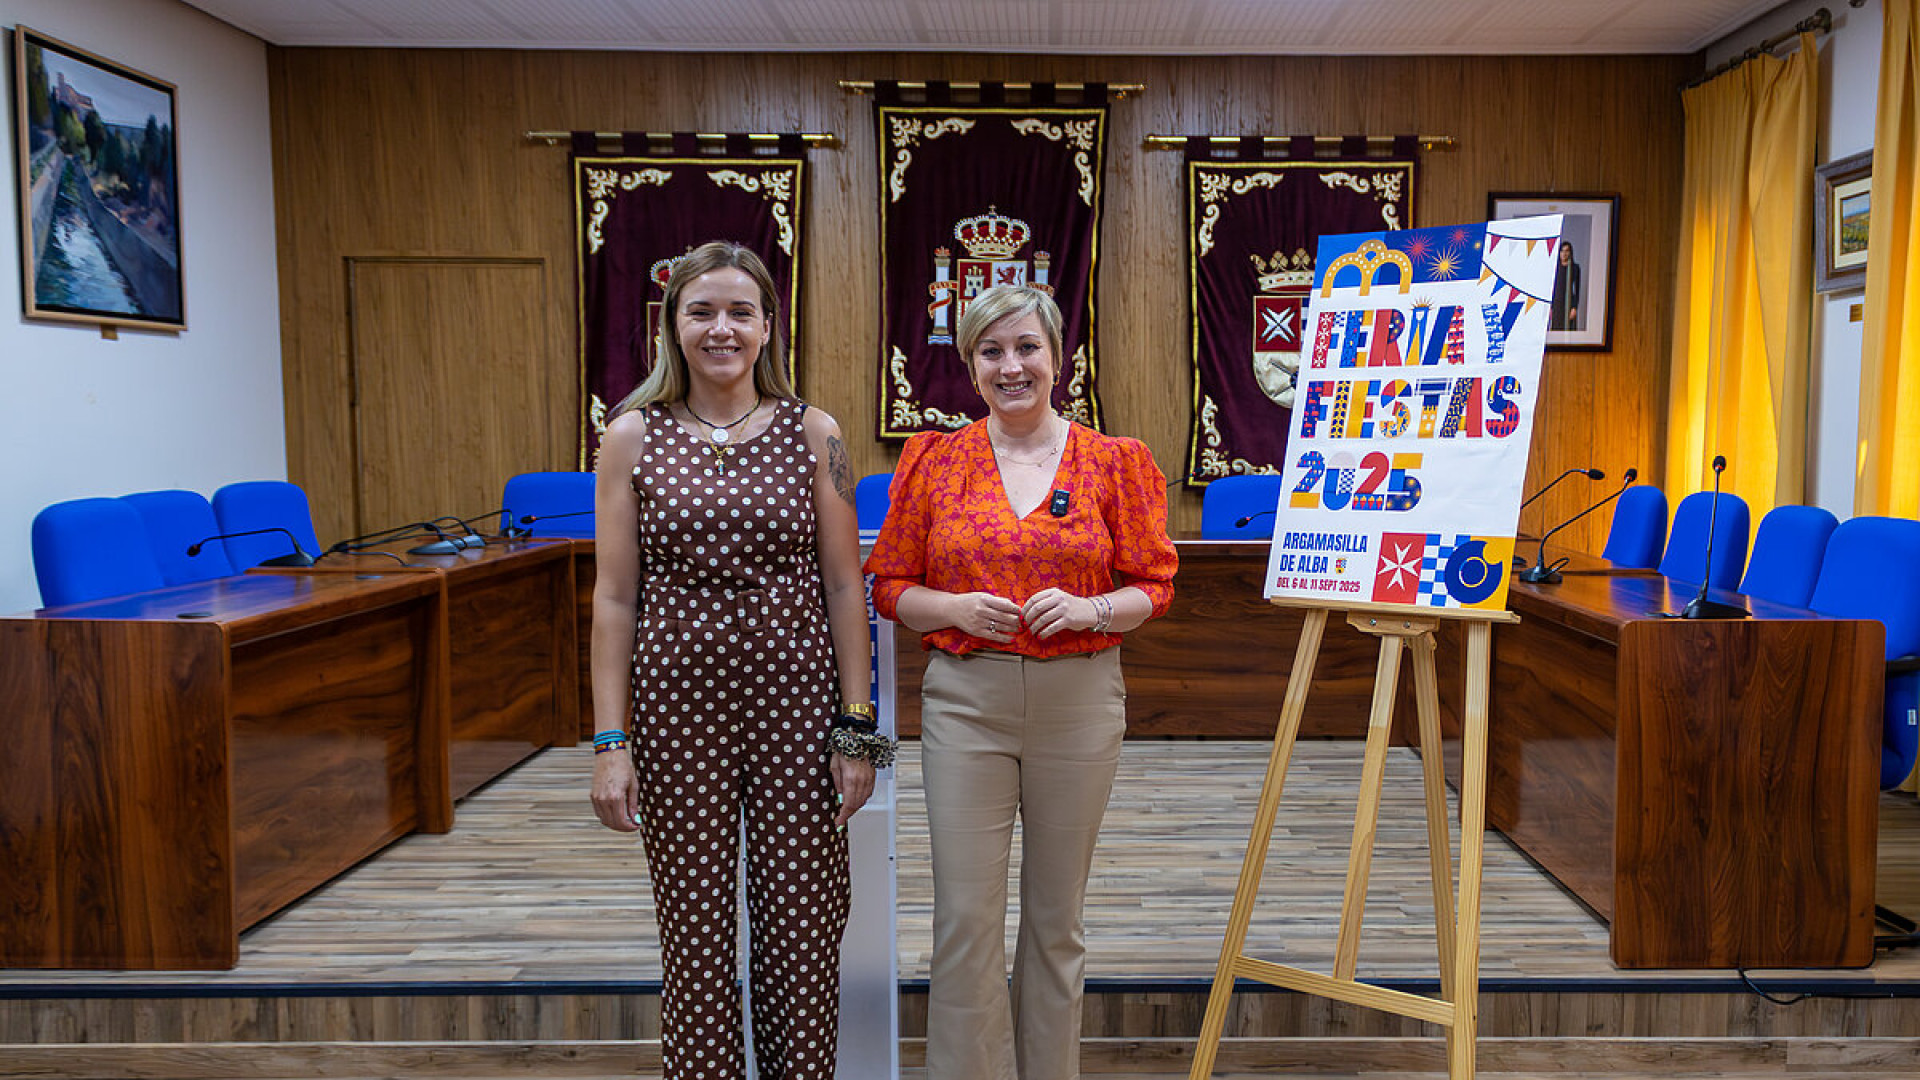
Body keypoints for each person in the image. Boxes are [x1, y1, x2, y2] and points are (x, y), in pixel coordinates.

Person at [587, 240, 892, 1079]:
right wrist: (610, 743)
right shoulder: (631, 436)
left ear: (767, 328)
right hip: (675, 710)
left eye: (740, 312)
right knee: (693, 929)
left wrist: (856, 730)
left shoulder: (813, 431)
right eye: (702, 311)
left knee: (802, 920)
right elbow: (614, 597)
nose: (721, 329)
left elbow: (842, 586)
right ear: (672, 326)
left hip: (797, 708)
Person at [865, 284, 1178, 1080]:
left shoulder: (1115, 461)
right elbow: (890, 586)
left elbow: (1155, 585)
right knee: (966, 917)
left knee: (1055, 919)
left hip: (1079, 704)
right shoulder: (935, 459)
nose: (1012, 367)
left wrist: (1092, 608)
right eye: (992, 352)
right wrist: (956, 607)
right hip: (967, 703)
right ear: (970, 365)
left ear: (1058, 355)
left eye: (1026, 348)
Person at [1551, 240, 1582, 331]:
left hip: (1568, 303)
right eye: (1562, 251)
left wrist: (1574, 308)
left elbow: (1577, 290)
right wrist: (1550, 307)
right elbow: (1551, 289)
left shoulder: (1575, 268)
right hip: (1557, 303)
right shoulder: (1555, 268)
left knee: (1569, 329)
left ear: (1570, 253)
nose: (1564, 254)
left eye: (1566, 251)